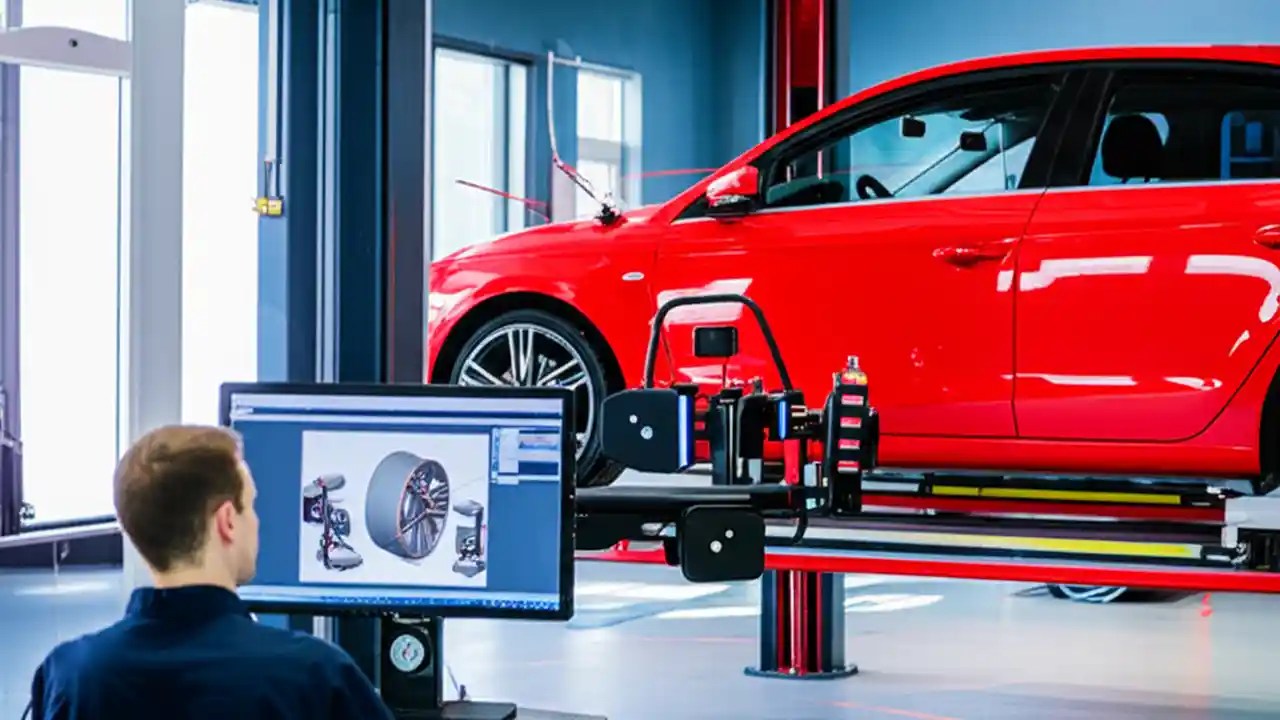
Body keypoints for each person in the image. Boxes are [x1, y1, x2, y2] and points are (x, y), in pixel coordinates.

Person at [28, 425, 394, 720]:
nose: (257, 520)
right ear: (226, 521)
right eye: (250, 505)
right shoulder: (315, 676)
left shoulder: (70, 677)